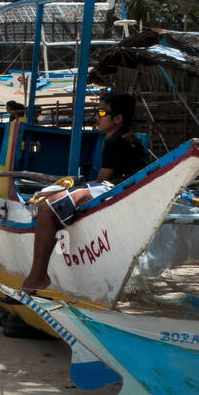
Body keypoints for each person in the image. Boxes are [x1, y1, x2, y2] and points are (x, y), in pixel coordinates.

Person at [21, 92, 148, 293]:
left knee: (46, 206)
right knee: (56, 199)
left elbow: (102, 181)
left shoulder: (116, 141)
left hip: (117, 189)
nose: (96, 116)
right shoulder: (125, 138)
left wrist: (73, 190)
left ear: (118, 119)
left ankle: (38, 276)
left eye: (102, 112)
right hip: (123, 187)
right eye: (97, 111)